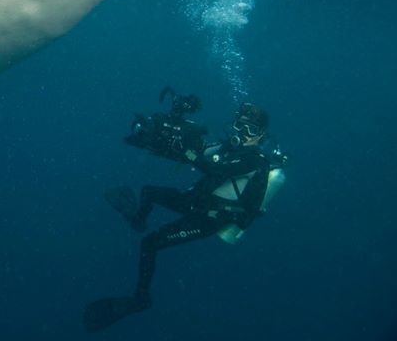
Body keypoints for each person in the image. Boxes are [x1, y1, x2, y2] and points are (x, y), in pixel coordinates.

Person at [83, 89, 287, 333]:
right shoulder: (230, 147)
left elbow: (217, 169)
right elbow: (202, 154)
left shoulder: (256, 160)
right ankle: (138, 221)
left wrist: (187, 152)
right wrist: (163, 140)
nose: (242, 134)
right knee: (148, 192)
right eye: (239, 126)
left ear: (261, 135)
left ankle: (141, 299)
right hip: (195, 200)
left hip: (209, 218)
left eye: (250, 130)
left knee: (149, 244)